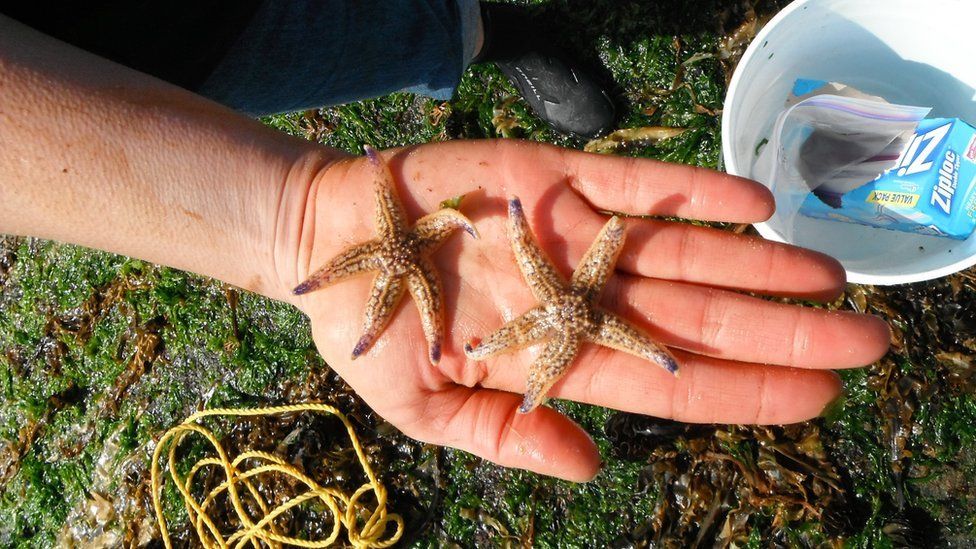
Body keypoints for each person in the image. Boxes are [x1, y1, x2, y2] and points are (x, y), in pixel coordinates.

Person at [0, 4, 890, 482]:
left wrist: (298, 207)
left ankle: (488, 30)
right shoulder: (488, 279)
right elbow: (532, 292)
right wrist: (291, 219)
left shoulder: (535, 282)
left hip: (217, 23)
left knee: (371, 27)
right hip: (105, 52)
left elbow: (550, 283)